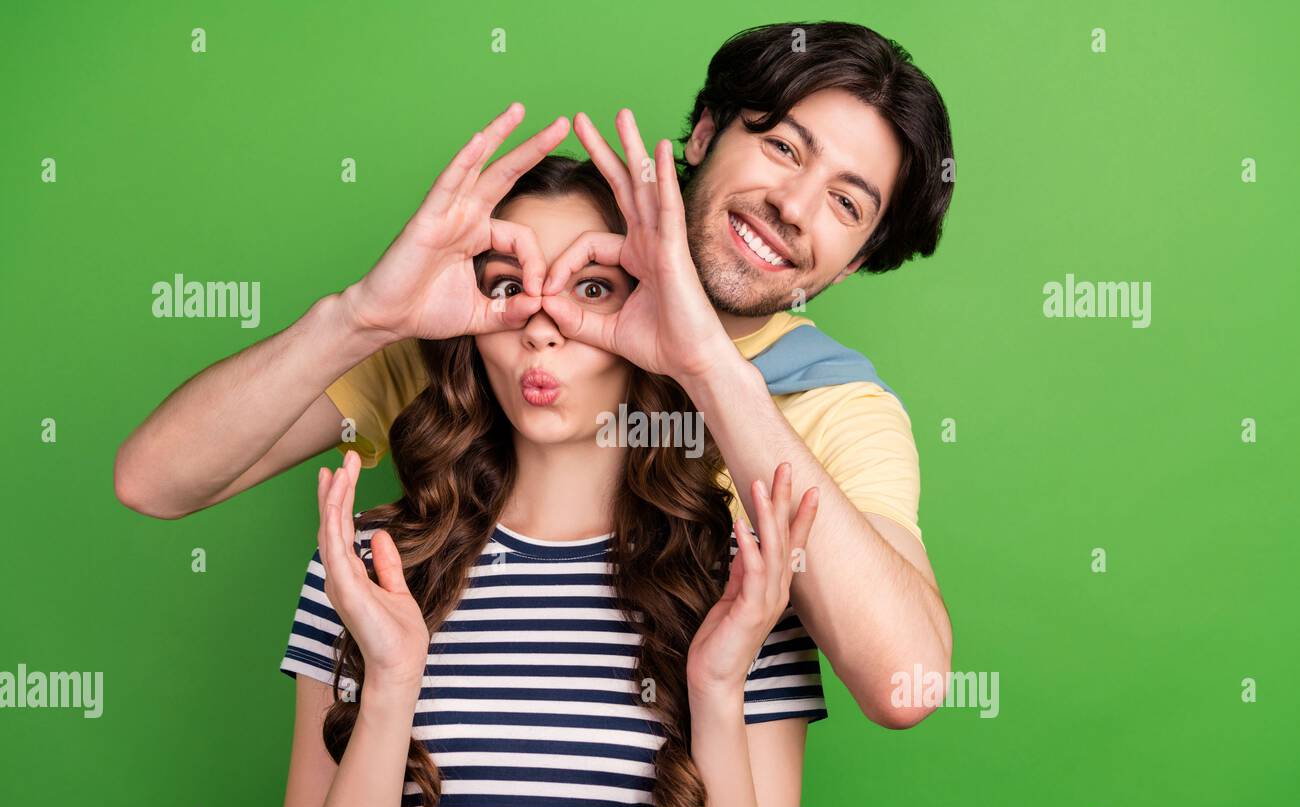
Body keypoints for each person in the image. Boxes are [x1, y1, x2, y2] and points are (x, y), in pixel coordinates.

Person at [116, 21, 955, 729]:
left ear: (853, 264)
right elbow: (156, 481)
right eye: (782, 147)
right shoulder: (509, 318)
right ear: (704, 133)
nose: (795, 207)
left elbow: (903, 682)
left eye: (848, 203)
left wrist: (707, 366)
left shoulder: (832, 403)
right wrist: (363, 315)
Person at [275, 156, 824, 807]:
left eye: (591, 289)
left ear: (655, 314)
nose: (541, 328)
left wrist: (716, 687)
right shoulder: (367, 566)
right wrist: (390, 687)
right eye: (509, 288)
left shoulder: (748, 582)